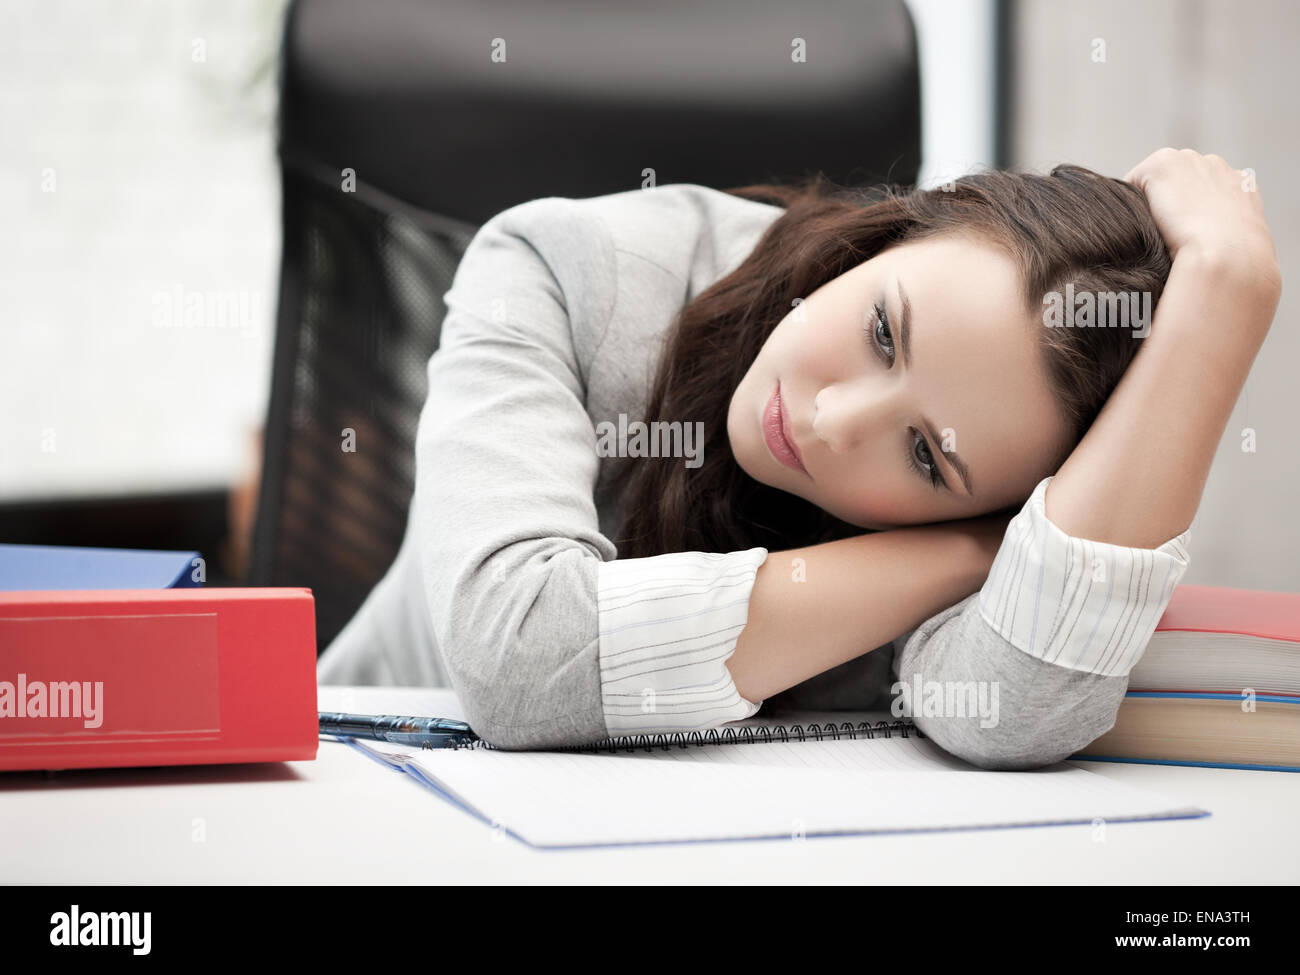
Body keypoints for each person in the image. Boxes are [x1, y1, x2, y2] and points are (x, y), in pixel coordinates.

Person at [316, 149, 1281, 769]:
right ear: (891, 232)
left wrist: (1222, 306)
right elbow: (517, 656)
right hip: (361, 773)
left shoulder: (989, 486)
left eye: (924, 455)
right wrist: (976, 550)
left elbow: (1010, 715)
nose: (829, 420)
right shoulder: (565, 268)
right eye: (882, 332)